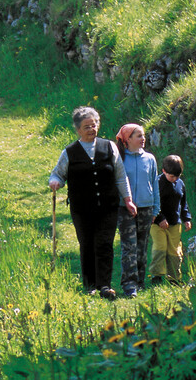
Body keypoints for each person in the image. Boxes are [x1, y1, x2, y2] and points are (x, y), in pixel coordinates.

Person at [49, 105, 135, 298]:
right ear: (78, 129)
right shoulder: (69, 152)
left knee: (105, 243)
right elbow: (57, 174)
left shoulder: (109, 147)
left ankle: (104, 285)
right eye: (87, 126)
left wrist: (128, 200)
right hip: (82, 208)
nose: (92, 129)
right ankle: (90, 285)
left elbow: (121, 176)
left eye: (94, 124)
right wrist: (55, 182)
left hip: (108, 206)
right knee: (86, 243)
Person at [115, 122, 159, 297]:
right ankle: (129, 284)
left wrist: (156, 209)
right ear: (128, 139)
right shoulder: (119, 158)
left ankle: (140, 280)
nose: (143, 139)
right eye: (138, 136)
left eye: (143, 136)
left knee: (142, 245)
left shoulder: (150, 158)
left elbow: (155, 183)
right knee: (129, 246)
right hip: (124, 208)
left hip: (146, 208)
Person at [149, 152, 192, 285]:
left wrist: (186, 218)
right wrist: (160, 218)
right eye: (171, 176)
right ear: (163, 171)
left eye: (177, 176)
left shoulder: (180, 184)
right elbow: (152, 202)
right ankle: (156, 275)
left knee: (175, 250)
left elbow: (183, 203)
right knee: (160, 246)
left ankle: (174, 278)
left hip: (175, 222)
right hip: (157, 223)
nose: (174, 179)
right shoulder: (157, 183)